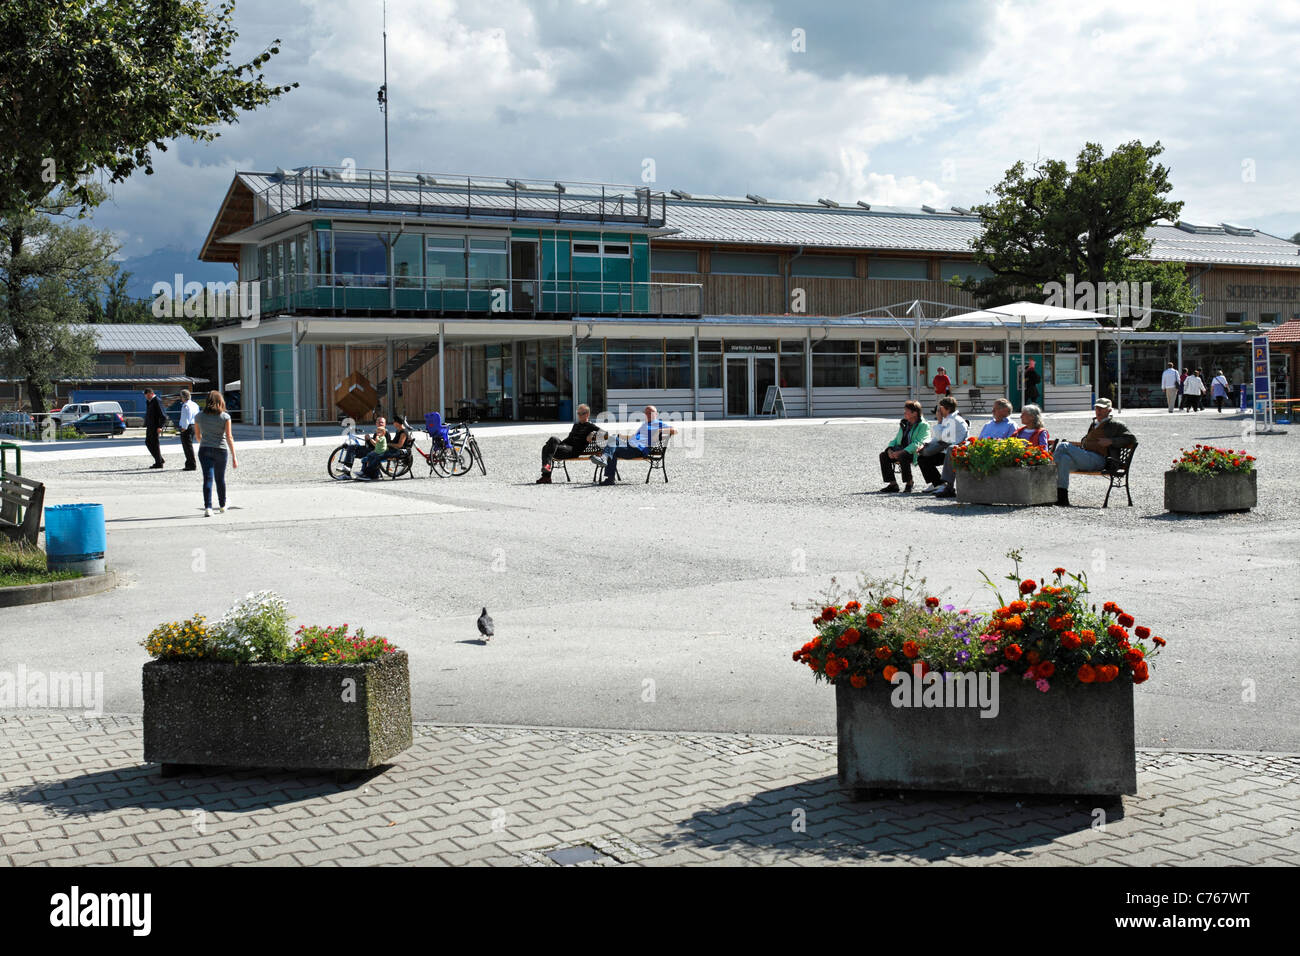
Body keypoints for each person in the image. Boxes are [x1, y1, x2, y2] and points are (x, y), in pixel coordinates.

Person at [1052, 398, 1136, 507]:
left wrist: (1111, 441)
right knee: (1064, 458)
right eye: (1097, 408)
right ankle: (1062, 498)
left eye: (1101, 408)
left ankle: (1046, 472)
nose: (1098, 411)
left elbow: (1131, 439)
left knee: (1063, 446)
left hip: (1101, 460)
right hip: (1087, 457)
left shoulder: (1116, 425)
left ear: (1109, 410)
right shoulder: (1094, 424)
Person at [591, 405, 676, 485]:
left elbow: (674, 430)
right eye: (646, 413)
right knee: (613, 438)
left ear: (656, 414)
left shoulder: (658, 423)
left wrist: (659, 430)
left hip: (638, 449)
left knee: (612, 450)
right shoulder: (644, 424)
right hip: (629, 445)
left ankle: (609, 474)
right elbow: (634, 437)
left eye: (651, 413)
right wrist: (621, 436)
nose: (648, 415)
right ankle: (606, 465)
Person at [192, 390, 237, 517]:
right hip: (221, 449)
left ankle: (208, 507)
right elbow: (229, 437)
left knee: (207, 478)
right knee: (220, 478)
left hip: (205, 448)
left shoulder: (199, 416)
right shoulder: (225, 417)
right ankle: (222, 505)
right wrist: (234, 456)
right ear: (220, 401)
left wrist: (205, 441)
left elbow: (197, 436)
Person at [537, 404, 603, 483]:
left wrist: (593, 433)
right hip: (566, 447)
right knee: (553, 439)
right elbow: (569, 439)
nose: (579, 415)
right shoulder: (576, 425)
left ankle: (546, 476)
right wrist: (559, 444)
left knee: (546, 448)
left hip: (573, 450)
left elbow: (605, 435)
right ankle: (547, 469)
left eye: (582, 413)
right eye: (578, 413)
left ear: (587, 414)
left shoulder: (591, 426)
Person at [878, 400, 930, 493]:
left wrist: (902, 451)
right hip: (901, 450)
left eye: (906, 411)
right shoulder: (904, 423)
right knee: (884, 455)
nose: (904, 413)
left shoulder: (923, 425)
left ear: (914, 413)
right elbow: (896, 439)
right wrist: (890, 449)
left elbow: (918, 442)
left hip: (915, 452)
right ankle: (893, 484)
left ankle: (909, 482)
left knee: (903, 456)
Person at [918, 396, 967, 493]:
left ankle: (940, 484)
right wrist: (925, 443)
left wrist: (939, 421)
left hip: (953, 452)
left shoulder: (953, 420)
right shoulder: (950, 418)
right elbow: (938, 438)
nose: (939, 411)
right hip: (947, 449)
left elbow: (942, 438)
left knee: (924, 459)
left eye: (941, 408)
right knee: (922, 458)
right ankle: (937, 483)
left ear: (947, 409)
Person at [143, 388, 166, 468]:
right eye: (145, 396)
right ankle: (159, 459)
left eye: (147, 395)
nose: (146, 397)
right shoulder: (149, 402)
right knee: (148, 442)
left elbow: (163, 415)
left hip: (155, 426)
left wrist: (160, 426)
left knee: (155, 444)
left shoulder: (157, 401)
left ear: (151, 393)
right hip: (150, 426)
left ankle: (158, 463)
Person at [177, 389, 199, 471]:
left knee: (187, 447)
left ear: (183, 397)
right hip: (193, 425)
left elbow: (186, 417)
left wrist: (184, 427)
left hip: (187, 426)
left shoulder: (185, 405)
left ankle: (191, 464)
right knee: (189, 446)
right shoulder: (194, 404)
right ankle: (189, 463)